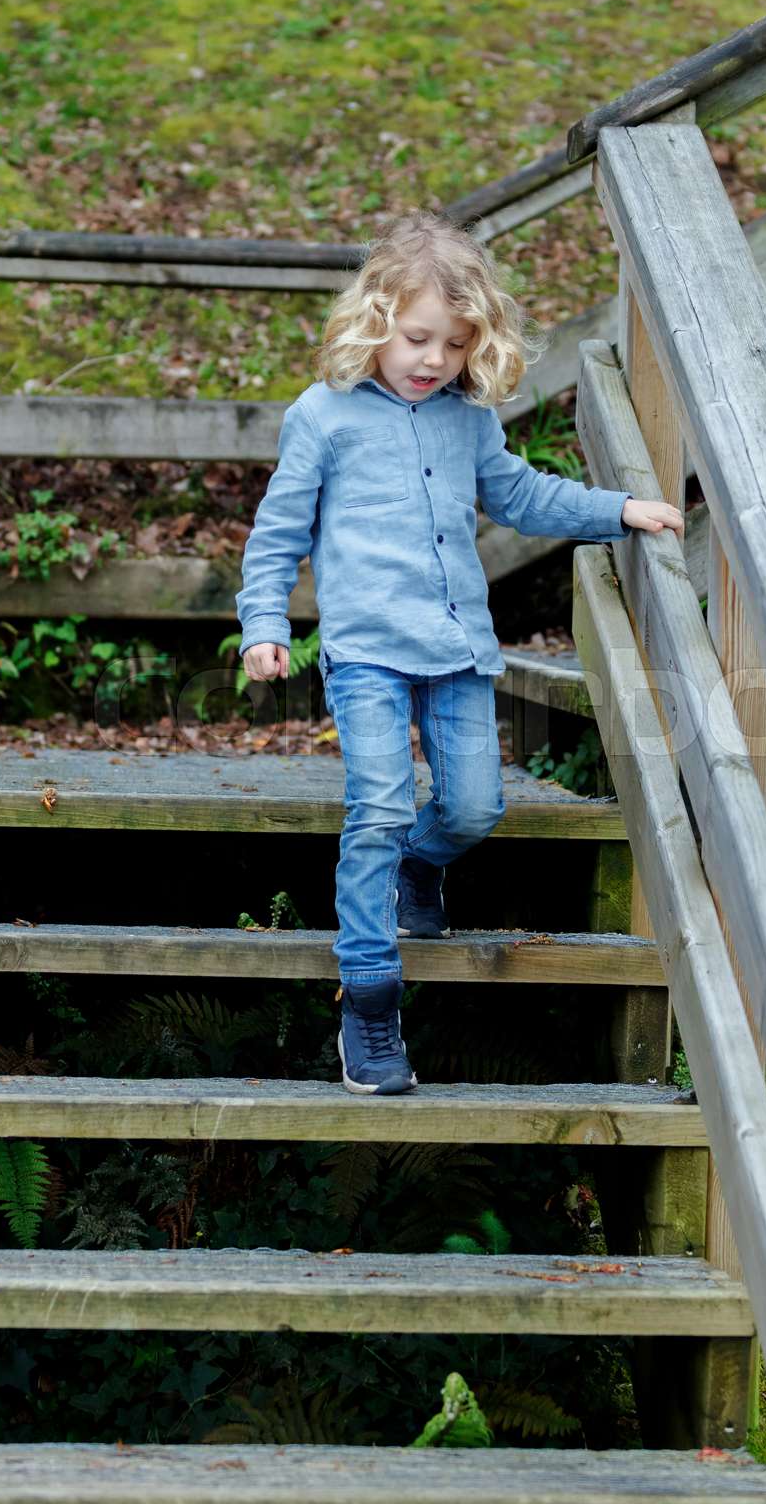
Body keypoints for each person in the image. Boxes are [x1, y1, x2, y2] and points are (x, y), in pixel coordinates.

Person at [236, 208, 683, 1097]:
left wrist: (617, 510)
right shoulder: (322, 418)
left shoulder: (465, 421)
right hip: (365, 651)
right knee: (377, 807)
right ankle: (367, 1000)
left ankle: (424, 862)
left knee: (475, 806)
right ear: (374, 321)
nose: (431, 358)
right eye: (415, 338)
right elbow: (276, 534)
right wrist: (264, 625)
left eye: (452, 342)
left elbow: (520, 495)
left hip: (455, 649)